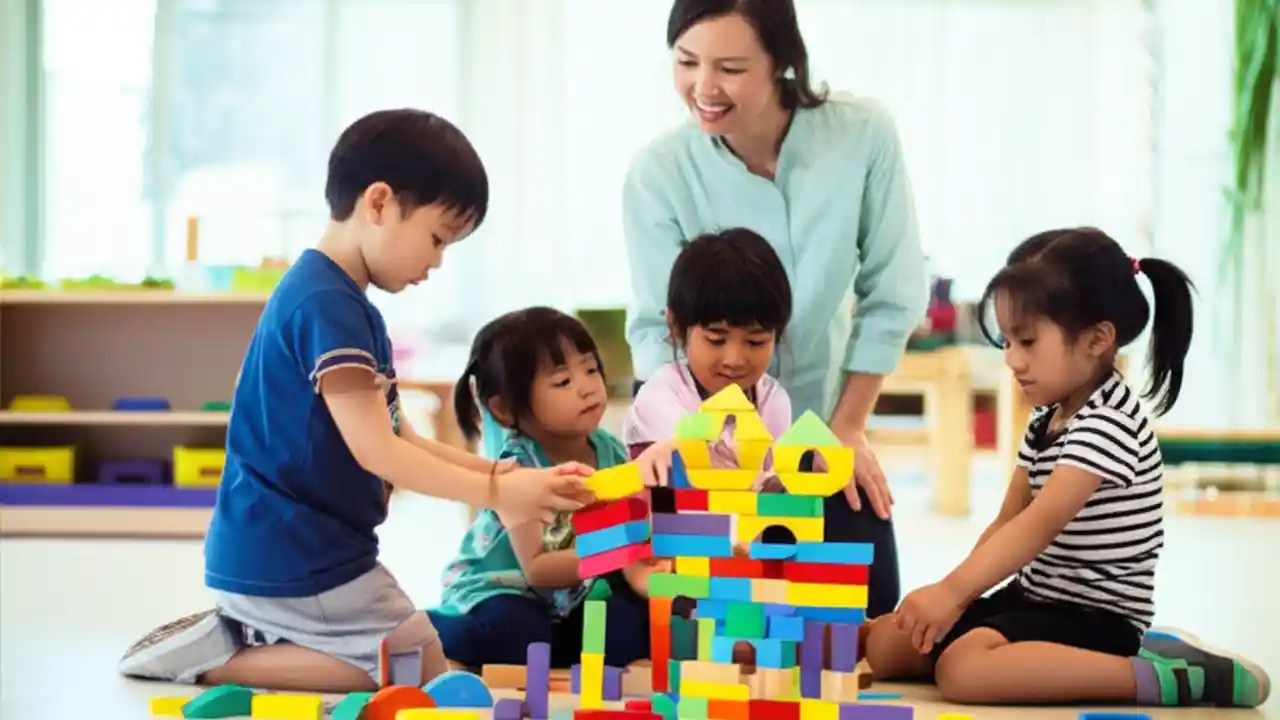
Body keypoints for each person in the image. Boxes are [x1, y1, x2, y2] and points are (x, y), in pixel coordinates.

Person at [117, 109, 593, 693]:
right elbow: (378, 452)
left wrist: (502, 473)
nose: (436, 262)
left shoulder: (344, 304)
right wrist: (498, 491)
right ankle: (215, 657)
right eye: (437, 238)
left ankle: (254, 638)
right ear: (379, 203)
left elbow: (401, 437)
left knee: (414, 661)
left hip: (305, 550)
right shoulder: (327, 306)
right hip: (293, 555)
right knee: (416, 670)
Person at [864, 227, 1270, 707]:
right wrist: (953, 596)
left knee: (963, 670)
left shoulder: (1109, 422)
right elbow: (1007, 521)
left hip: (1095, 618)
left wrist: (952, 594)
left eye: (1028, 341)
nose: (1012, 360)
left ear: (1097, 339)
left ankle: (1164, 677)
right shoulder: (1048, 415)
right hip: (1036, 600)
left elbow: (1038, 526)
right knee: (891, 643)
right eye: (1008, 341)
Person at [621, 0, 926, 617]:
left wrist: (847, 428)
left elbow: (893, 291)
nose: (703, 88)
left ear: (783, 62)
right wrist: (692, 458)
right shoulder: (659, 171)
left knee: (864, 607)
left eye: (730, 68)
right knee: (696, 614)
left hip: (819, 425)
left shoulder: (862, 134)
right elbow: (658, 328)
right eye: (686, 62)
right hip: (702, 449)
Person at [428, 307, 655, 669]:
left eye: (591, 370)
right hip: (501, 590)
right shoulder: (515, 469)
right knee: (518, 631)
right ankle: (431, 632)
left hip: (570, 597)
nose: (587, 388)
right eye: (563, 382)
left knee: (629, 623)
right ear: (504, 409)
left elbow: (628, 531)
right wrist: (621, 546)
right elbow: (538, 570)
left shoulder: (609, 449)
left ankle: (560, 649)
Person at [623, 228, 793, 484]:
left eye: (755, 341)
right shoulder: (661, 397)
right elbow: (699, 479)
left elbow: (776, 484)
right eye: (716, 339)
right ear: (677, 326)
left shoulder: (773, 400)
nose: (735, 359)